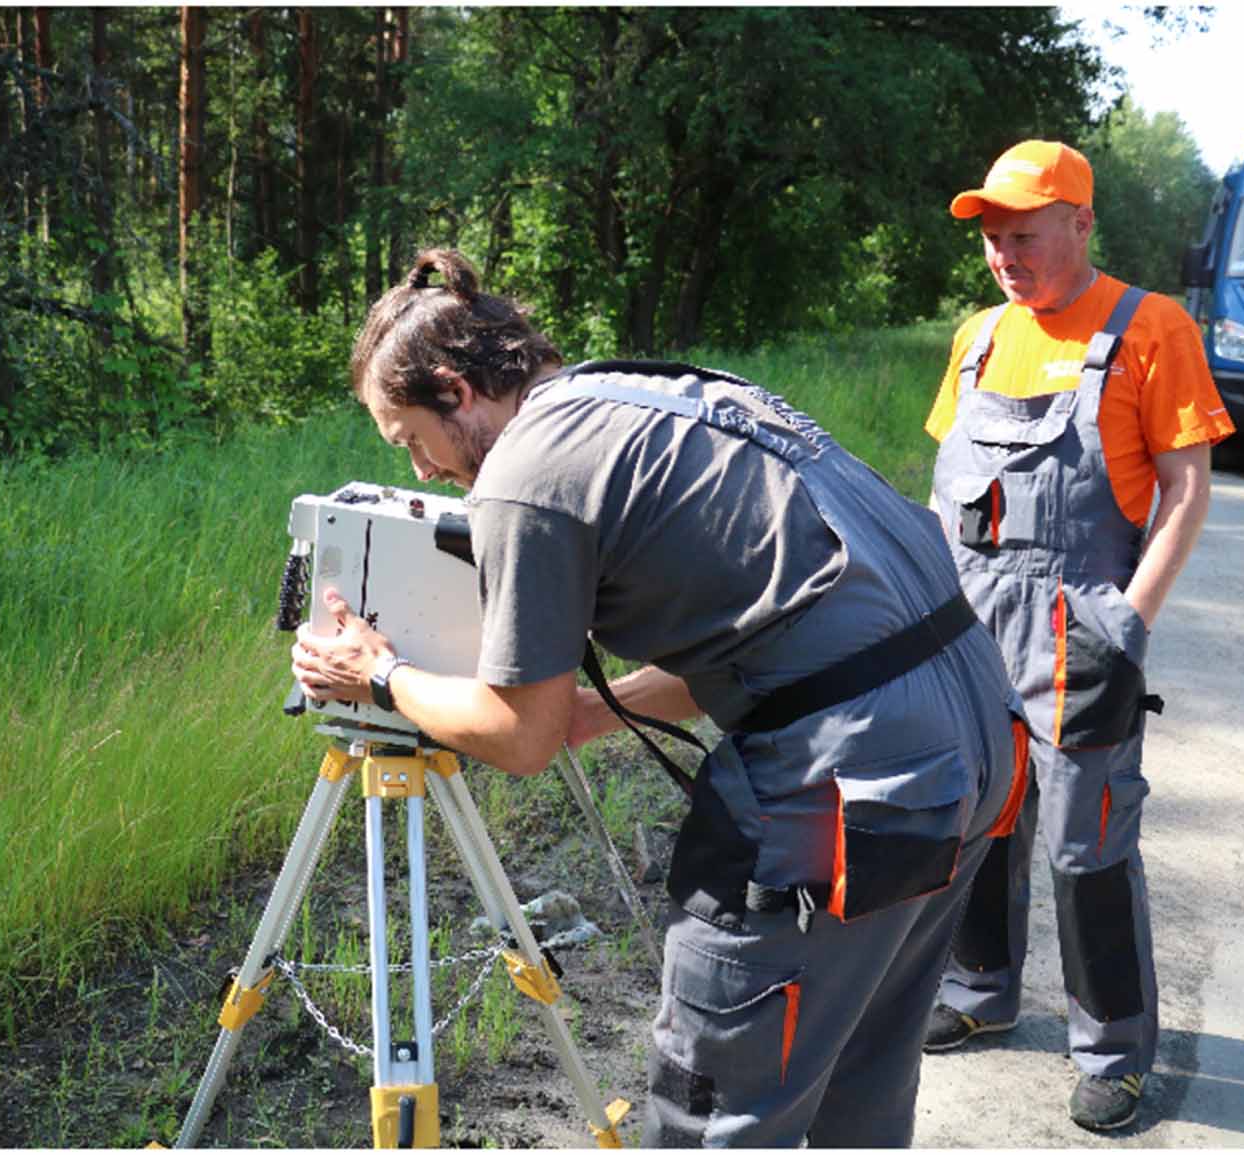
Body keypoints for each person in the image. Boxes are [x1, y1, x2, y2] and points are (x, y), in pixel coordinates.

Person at [292, 248, 1027, 1147]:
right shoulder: (652, 395)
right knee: (860, 1086)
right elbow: (774, 624)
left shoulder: (525, 472)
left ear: (455, 389)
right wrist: (590, 712)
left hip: (854, 783)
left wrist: (378, 675)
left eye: (412, 439)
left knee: (718, 1106)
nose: (424, 472)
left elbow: (519, 740)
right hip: (973, 739)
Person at [922, 140, 1234, 1132]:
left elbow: (1185, 490)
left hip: (1078, 633)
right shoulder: (976, 336)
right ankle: (979, 995)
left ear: (1078, 224)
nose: (1003, 255)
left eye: (1021, 234)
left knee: (1084, 847)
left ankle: (1112, 1052)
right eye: (990, 239)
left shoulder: (1150, 327)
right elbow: (949, 503)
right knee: (978, 821)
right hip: (971, 632)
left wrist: (1128, 622)